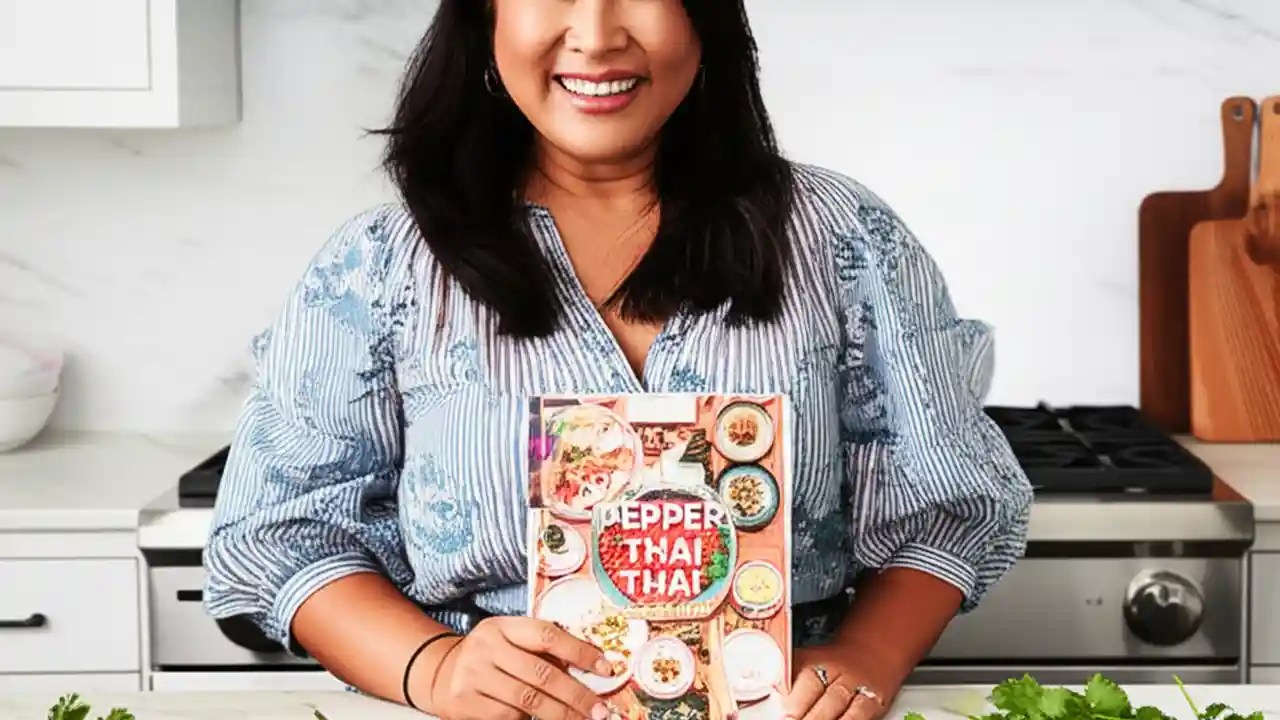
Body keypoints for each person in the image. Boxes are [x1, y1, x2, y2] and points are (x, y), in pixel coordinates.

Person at [203, 1, 1034, 719]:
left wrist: (865, 656)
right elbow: (283, 532)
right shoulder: (381, 264)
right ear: (485, 15)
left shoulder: (840, 235)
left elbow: (950, 504)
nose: (596, 36)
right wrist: (437, 668)